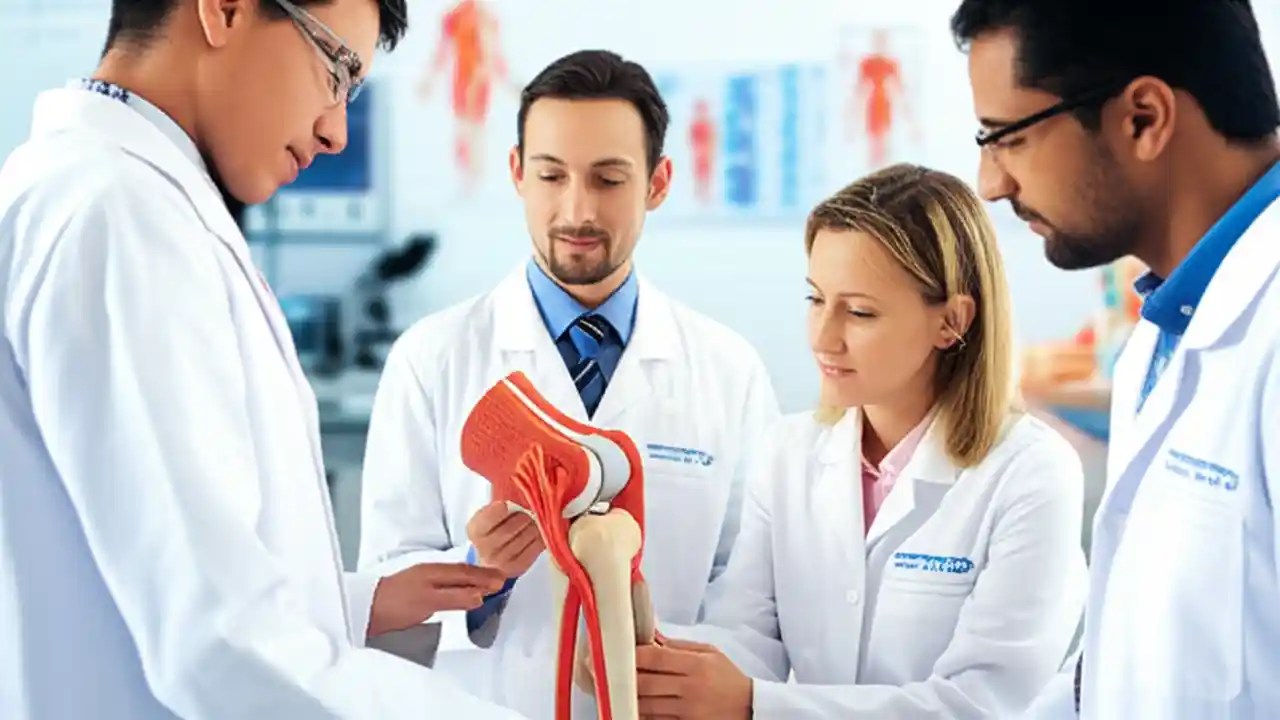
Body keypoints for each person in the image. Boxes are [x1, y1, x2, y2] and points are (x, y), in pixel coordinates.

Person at [0, 1, 525, 717]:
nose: (337, 131)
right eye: (337, 70)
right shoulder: (122, 217)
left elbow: (132, 569)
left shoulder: (111, 196)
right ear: (225, 10)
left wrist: (352, 603)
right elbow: (221, 643)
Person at [357, 49, 781, 719]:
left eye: (608, 179)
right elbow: (379, 601)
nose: (577, 210)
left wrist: (664, 663)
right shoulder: (431, 358)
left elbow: (754, 603)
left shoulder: (730, 371)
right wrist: (480, 572)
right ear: (517, 173)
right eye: (552, 176)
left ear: (658, 183)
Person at [621, 164, 1087, 718]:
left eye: (860, 312)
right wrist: (641, 656)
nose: (823, 338)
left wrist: (755, 705)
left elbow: (979, 704)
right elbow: (749, 641)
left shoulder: (1032, 473)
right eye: (816, 299)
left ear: (951, 321)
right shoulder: (788, 452)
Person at [952, 0, 1280, 716]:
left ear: (1143, 119)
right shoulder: (1165, 331)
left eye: (1006, 139)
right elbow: (1132, 654)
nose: (991, 184)